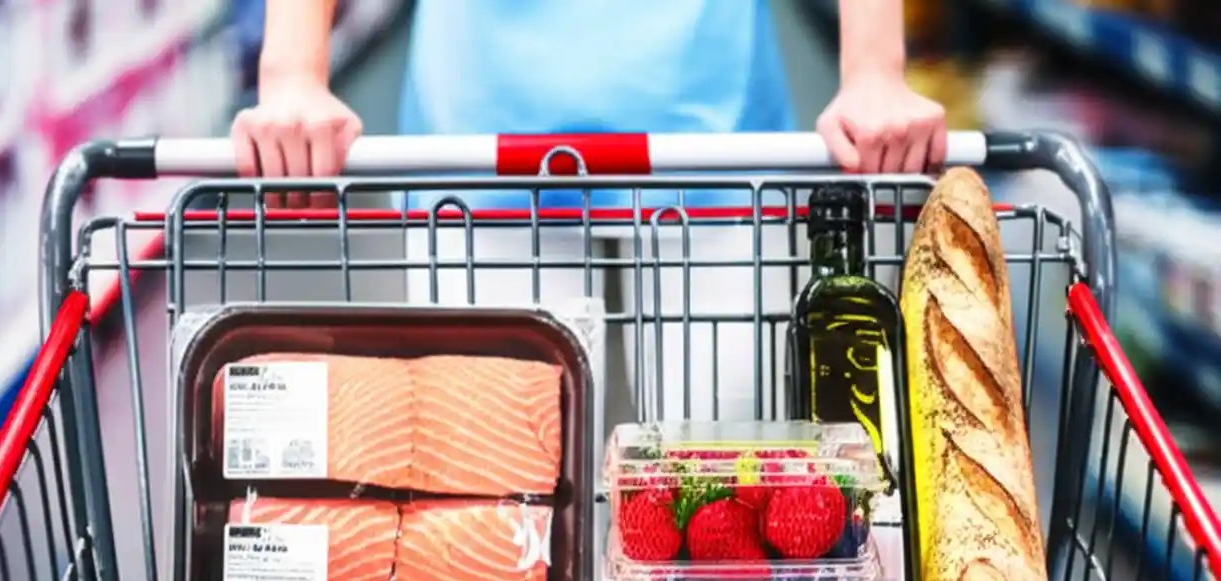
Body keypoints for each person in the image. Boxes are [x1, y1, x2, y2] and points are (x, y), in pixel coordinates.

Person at [231, 0, 946, 423]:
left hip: (713, 123)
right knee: (501, 517)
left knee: (721, 504)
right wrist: (291, 72)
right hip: (485, 134)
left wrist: (876, 69)